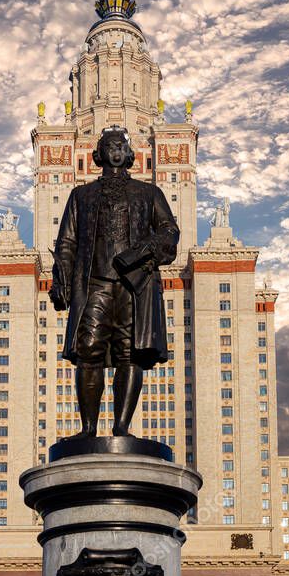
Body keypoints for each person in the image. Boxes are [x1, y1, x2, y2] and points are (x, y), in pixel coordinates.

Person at [50, 126, 179, 437]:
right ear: (99, 153)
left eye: (122, 144)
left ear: (130, 153)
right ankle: (88, 429)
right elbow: (66, 241)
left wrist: (142, 252)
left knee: (129, 352)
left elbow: (169, 232)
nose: (117, 148)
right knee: (88, 348)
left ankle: (121, 427)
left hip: (134, 286)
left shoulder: (148, 193)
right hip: (94, 283)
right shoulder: (82, 195)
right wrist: (62, 280)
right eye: (110, 144)